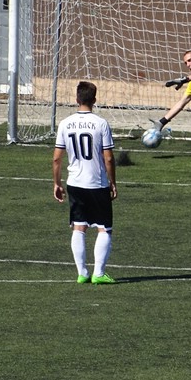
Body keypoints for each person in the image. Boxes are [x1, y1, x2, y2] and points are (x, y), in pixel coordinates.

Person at [53, 81, 118, 284]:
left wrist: (57, 183)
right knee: (104, 228)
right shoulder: (101, 123)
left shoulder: (65, 123)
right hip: (97, 183)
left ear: (76, 99)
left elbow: (56, 158)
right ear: (95, 100)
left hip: (75, 183)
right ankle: (99, 273)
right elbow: (108, 157)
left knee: (79, 227)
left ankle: (82, 273)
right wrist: (113, 182)